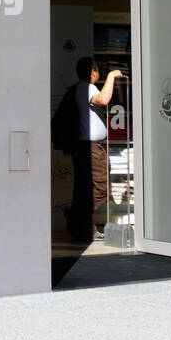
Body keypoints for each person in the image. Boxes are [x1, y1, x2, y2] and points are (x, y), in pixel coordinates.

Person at [52, 57, 120, 242]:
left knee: (83, 188)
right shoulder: (87, 87)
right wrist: (113, 75)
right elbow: (104, 99)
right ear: (93, 72)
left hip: (82, 146)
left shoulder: (78, 89)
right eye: (98, 71)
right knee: (101, 187)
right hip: (90, 148)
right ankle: (76, 215)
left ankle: (83, 228)